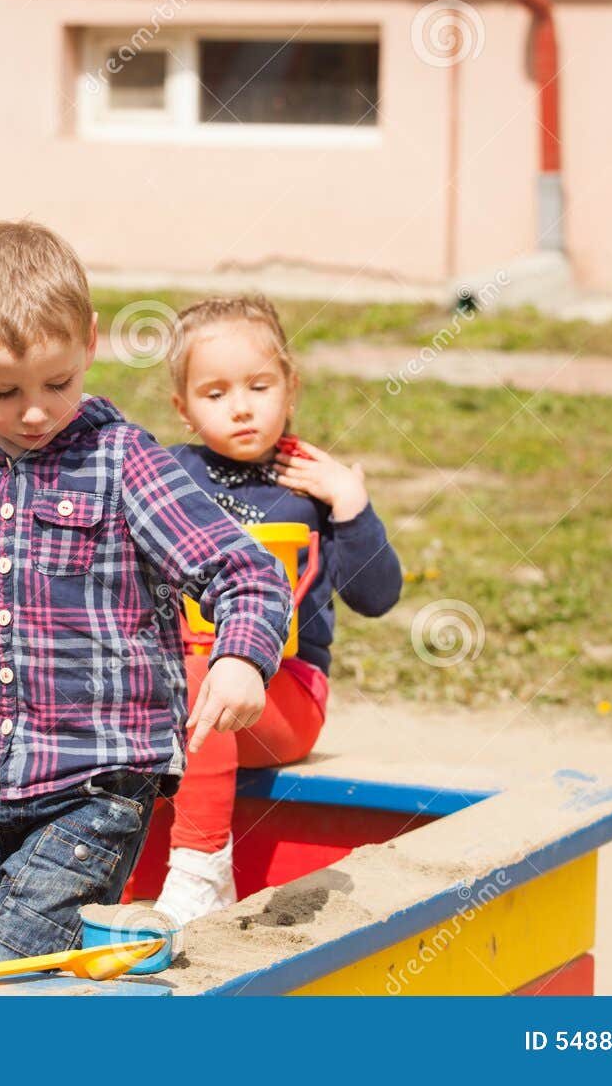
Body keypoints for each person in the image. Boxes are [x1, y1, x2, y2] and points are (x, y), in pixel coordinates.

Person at [0, 221, 293, 963]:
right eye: (4, 390)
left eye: (58, 383)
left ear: (89, 343)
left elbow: (244, 570)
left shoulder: (120, 459)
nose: (34, 411)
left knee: (7, 976)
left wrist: (241, 657)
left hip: (97, 781)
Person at [153, 296, 403, 923]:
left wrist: (350, 503)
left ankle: (201, 868)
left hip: (283, 696)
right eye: (214, 394)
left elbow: (377, 599)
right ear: (183, 408)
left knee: (206, 668)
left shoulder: (311, 484)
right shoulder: (169, 476)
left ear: (291, 389)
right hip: (170, 690)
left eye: (259, 385)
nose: (240, 406)